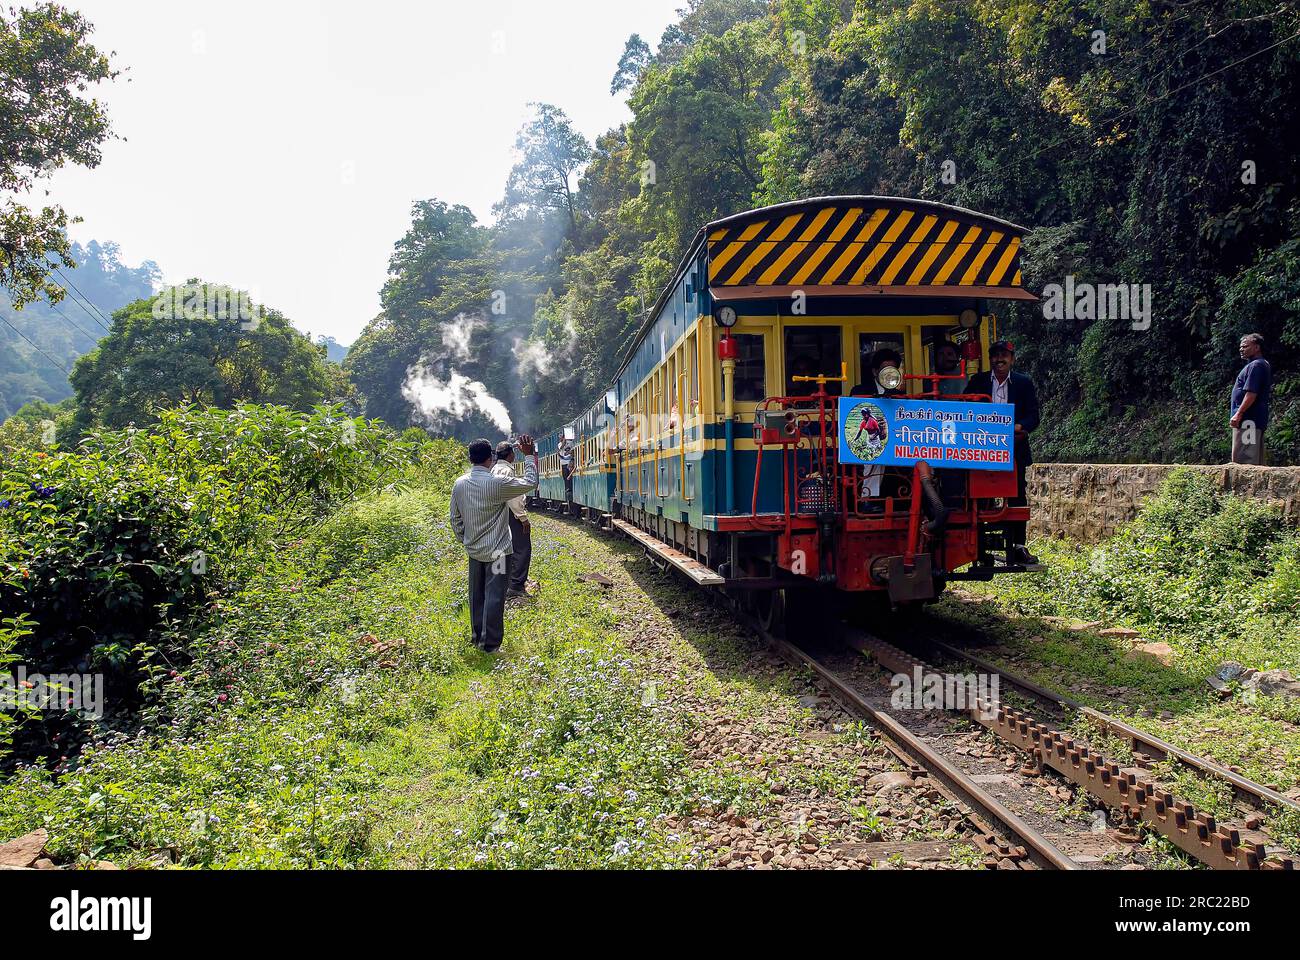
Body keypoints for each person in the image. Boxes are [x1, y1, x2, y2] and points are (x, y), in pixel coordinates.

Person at [449, 436, 538, 653]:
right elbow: (530, 482)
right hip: (498, 552)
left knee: (476, 595)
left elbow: (455, 518)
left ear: (470, 458)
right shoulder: (498, 484)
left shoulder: (459, 484)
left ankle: (477, 636)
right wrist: (528, 455)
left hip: (474, 551)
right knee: (495, 596)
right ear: (490, 458)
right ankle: (490, 645)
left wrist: (465, 539)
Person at [965, 341, 1039, 565]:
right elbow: (965, 409)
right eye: (995, 355)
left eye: (1004, 355)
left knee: (1017, 496)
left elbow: (1033, 416)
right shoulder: (977, 382)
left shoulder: (1024, 383)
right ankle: (979, 548)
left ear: (1012, 359)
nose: (1000, 359)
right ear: (990, 359)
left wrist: (1020, 427)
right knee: (980, 498)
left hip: (1014, 449)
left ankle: (1019, 546)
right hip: (982, 450)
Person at [850, 348, 905, 513]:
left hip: (896, 438)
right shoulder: (859, 391)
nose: (889, 375)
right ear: (875, 372)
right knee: (875, 451)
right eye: (884, 370)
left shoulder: (899, 394)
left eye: (893, 370)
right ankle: (867, 499)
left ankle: (924, 499)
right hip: (872, 439)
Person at [493, 441, 533, 599]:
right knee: (522, 548)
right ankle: (516, 585)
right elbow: (514, 498)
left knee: (500, 549)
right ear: (511, 455)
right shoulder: (507, 471)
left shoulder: (495, 469)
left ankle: (501, 582)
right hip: (511, 514)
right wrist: (523, 518)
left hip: (498, 514)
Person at [1231, 333, 1271, 465]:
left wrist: (1239, 413)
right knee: (1250, 456)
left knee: (1246, 458)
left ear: (1257, 347)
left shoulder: (1256, 366)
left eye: (1245, 346)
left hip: (1249, 421)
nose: (1241, 349)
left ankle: (1244, 487)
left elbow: (1251, 394)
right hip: (1250, 421)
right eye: (1240, 347)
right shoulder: (1259, 364)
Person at [558, 436, 574, 503]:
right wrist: (564, 441)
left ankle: (570, 489)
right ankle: (567, 490)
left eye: (562, 436)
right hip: (564, 463)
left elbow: (573, 450)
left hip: (570, 462)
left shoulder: (571, 442)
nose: (560, 438)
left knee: (570, 478)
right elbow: (561, 447)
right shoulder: (559, 444)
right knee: (566, 479)